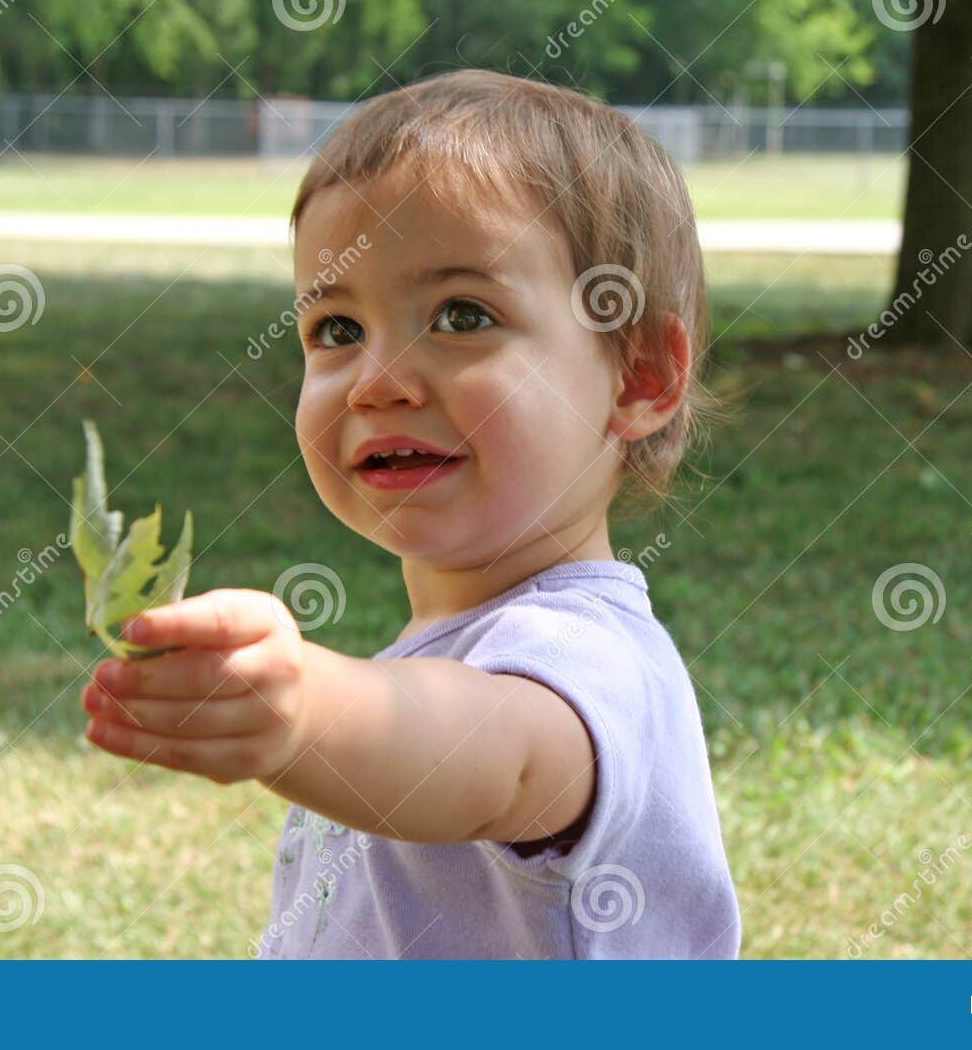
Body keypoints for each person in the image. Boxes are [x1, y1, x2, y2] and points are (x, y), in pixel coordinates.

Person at [80, 68, 740, 959]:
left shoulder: (590, 660)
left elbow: (491, 756)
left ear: (640, 375)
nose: (378, 380)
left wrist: (304, 707)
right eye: (337, 330)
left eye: (462, 314)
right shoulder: (445, 648)